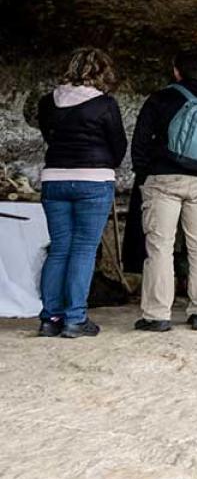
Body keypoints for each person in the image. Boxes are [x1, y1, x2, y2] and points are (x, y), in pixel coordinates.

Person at [131, 50, 197, 332]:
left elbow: (140, 143)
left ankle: (157, 314)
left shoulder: (160, 98)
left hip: (163, 179)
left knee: (160, 247)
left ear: (176, 71)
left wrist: (144, 176)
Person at [35, 48, 127, 338]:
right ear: (102, 72)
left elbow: (48, 136)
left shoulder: (47, 102)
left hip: (54, 179)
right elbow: (118, 145)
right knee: (84, 249)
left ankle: (50, 318)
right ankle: (75, 318)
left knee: (59, 247)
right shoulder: (105, 104)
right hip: (93, 180)